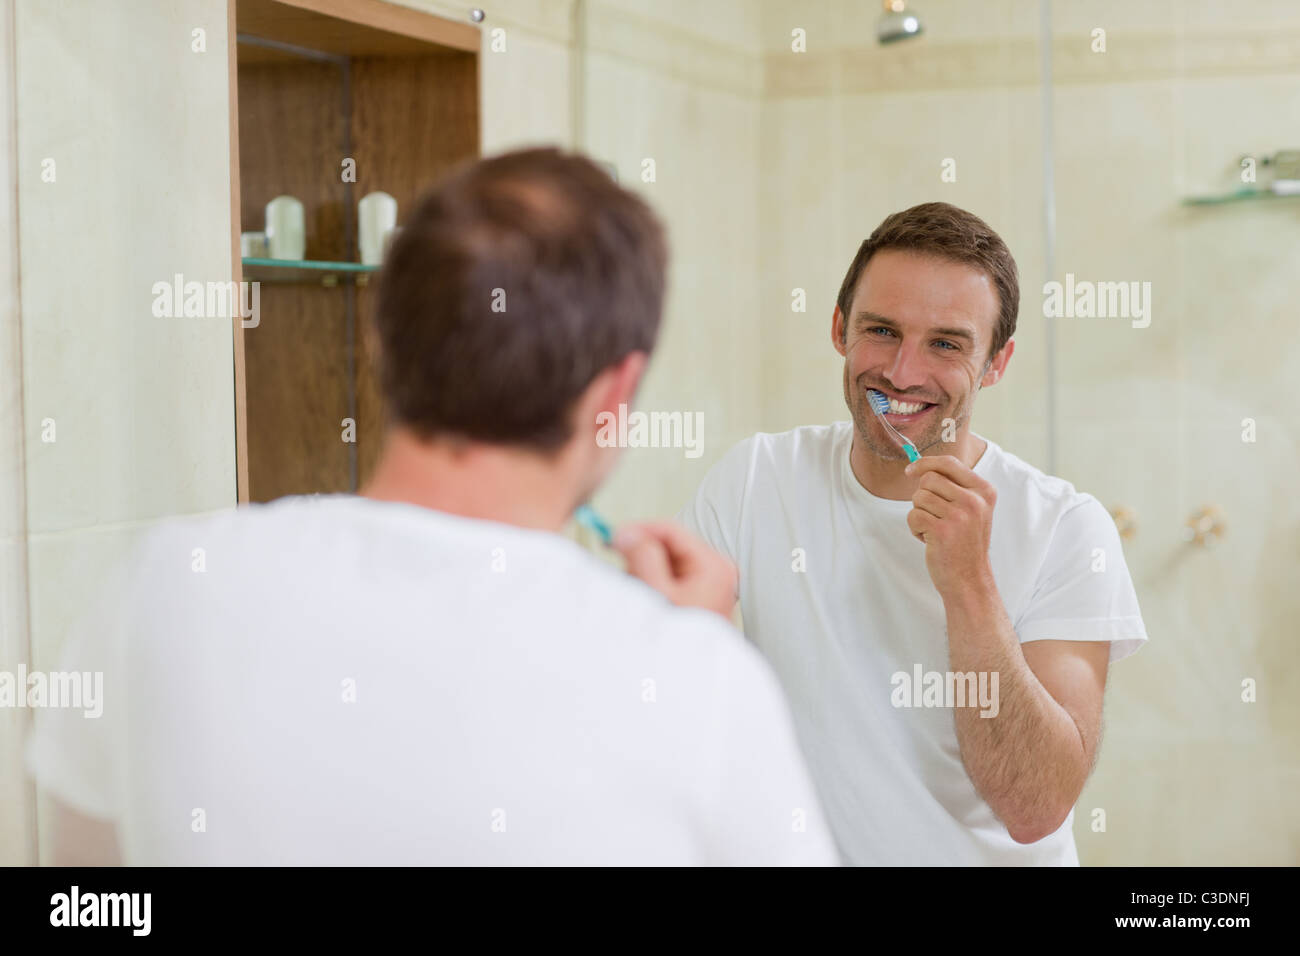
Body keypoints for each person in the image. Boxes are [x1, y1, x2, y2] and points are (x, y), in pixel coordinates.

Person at [26, 148, 839, 866]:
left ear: (383, 342)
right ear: (616, 391)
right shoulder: (696, 682)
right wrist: (685, 654)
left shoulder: (165, 585)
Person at [678, 202, 1148, 865]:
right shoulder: (755, 480)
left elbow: (1035, 807)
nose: (901, 373)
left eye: (947, 343)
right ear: (840, 328)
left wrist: (969, 584)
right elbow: (689, 723)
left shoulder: (1067, 528)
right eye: (881, 330)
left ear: (996, 363)